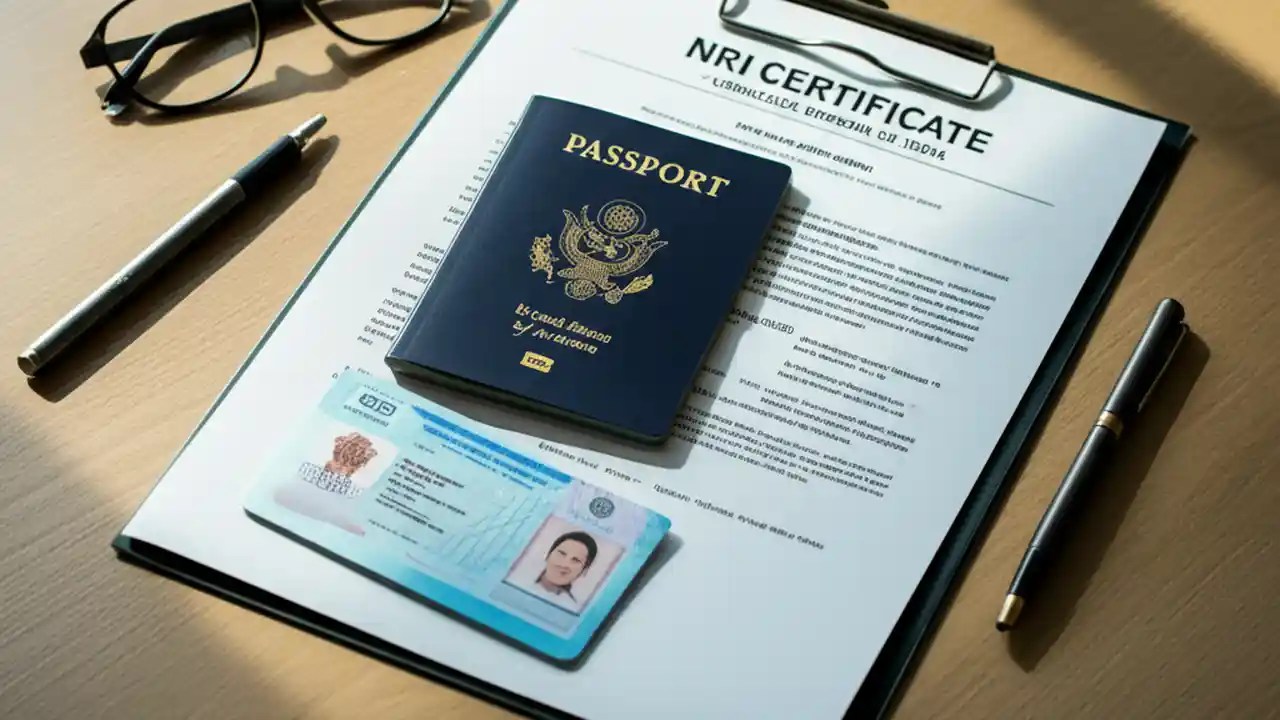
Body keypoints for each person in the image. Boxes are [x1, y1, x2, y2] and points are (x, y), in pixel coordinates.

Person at [530, 531, 598, 608]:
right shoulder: (521, 581)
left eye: (575, 560)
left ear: (584, 571)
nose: (564, 564)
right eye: (562, 553)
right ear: (548, 554)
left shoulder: (571, 607)